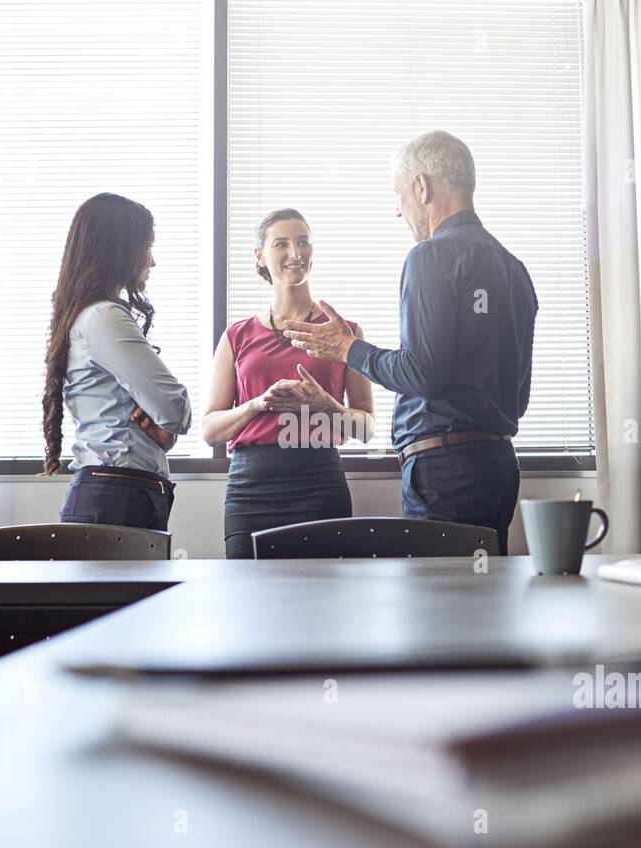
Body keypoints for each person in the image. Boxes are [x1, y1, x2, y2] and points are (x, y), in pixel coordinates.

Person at [283, 131, 537, 555]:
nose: (398, 211)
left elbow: (422, 373)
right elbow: (519, 399)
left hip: (444, 473)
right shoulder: (515, 270)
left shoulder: (429, 256)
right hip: (498, 469)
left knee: (437, 611)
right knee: (483, 607)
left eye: (399, 195)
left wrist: (345, 347)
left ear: (421, 187)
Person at [202, 209, 376, 559]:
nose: (295, 253)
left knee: (321, 604)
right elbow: (210, 431)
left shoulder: (345, 331)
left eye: (303, 242)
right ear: (260, 256)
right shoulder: (237, 335)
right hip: (251, 489)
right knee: (248, 602)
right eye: (281, 244)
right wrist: (257, 404)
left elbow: (366, 429)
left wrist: (326, 404)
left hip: (320, 483)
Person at [42, 193, 192, 531]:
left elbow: (166, 423)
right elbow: (175, 409)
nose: (152, 262)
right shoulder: (104, 317)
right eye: (147, 247)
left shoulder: (87, 315)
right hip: (116, 496)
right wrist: (166, 422)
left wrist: (164, 431)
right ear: (120, 249)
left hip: (116, 493)